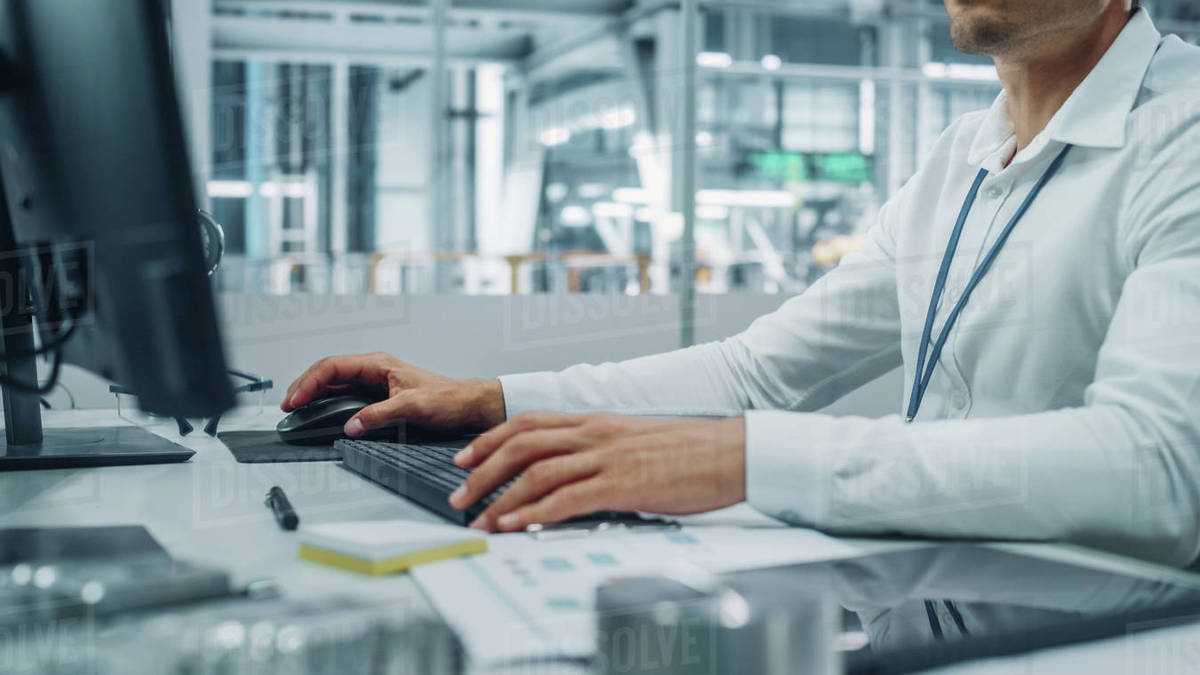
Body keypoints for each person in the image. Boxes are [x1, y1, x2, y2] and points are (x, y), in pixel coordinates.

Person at [284, 0, 1200, 567]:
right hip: (940, 594)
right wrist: (490, 400)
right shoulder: (963, 155)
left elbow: (1161, 468)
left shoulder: (1185, 136)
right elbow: (756, 374)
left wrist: (747, 460)